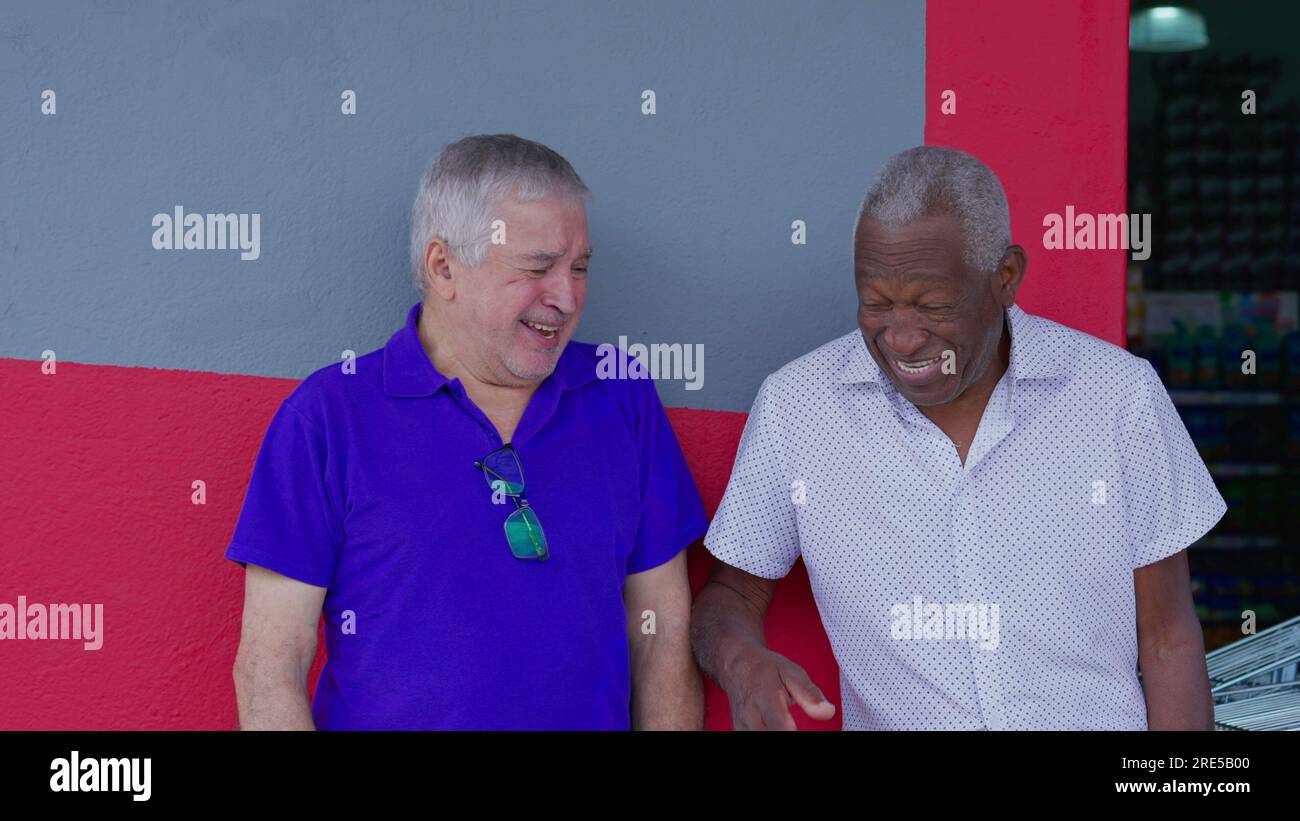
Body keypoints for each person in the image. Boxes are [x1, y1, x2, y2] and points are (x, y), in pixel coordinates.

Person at [693, 145, 1225, 730]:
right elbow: (731, 597)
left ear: (1005, 277)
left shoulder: (1115, 395)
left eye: (933, 306)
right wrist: (742, 665)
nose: (899, 338)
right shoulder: (799, 409)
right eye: (875, 304)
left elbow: (1170, 637)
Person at [227, 134, 707, 730]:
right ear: (444, 267)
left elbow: (660, 637)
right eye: (537, 268)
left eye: (579, 268)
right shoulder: (326, 418)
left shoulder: (621, 395)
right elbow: (270, 669)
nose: (565, 296)